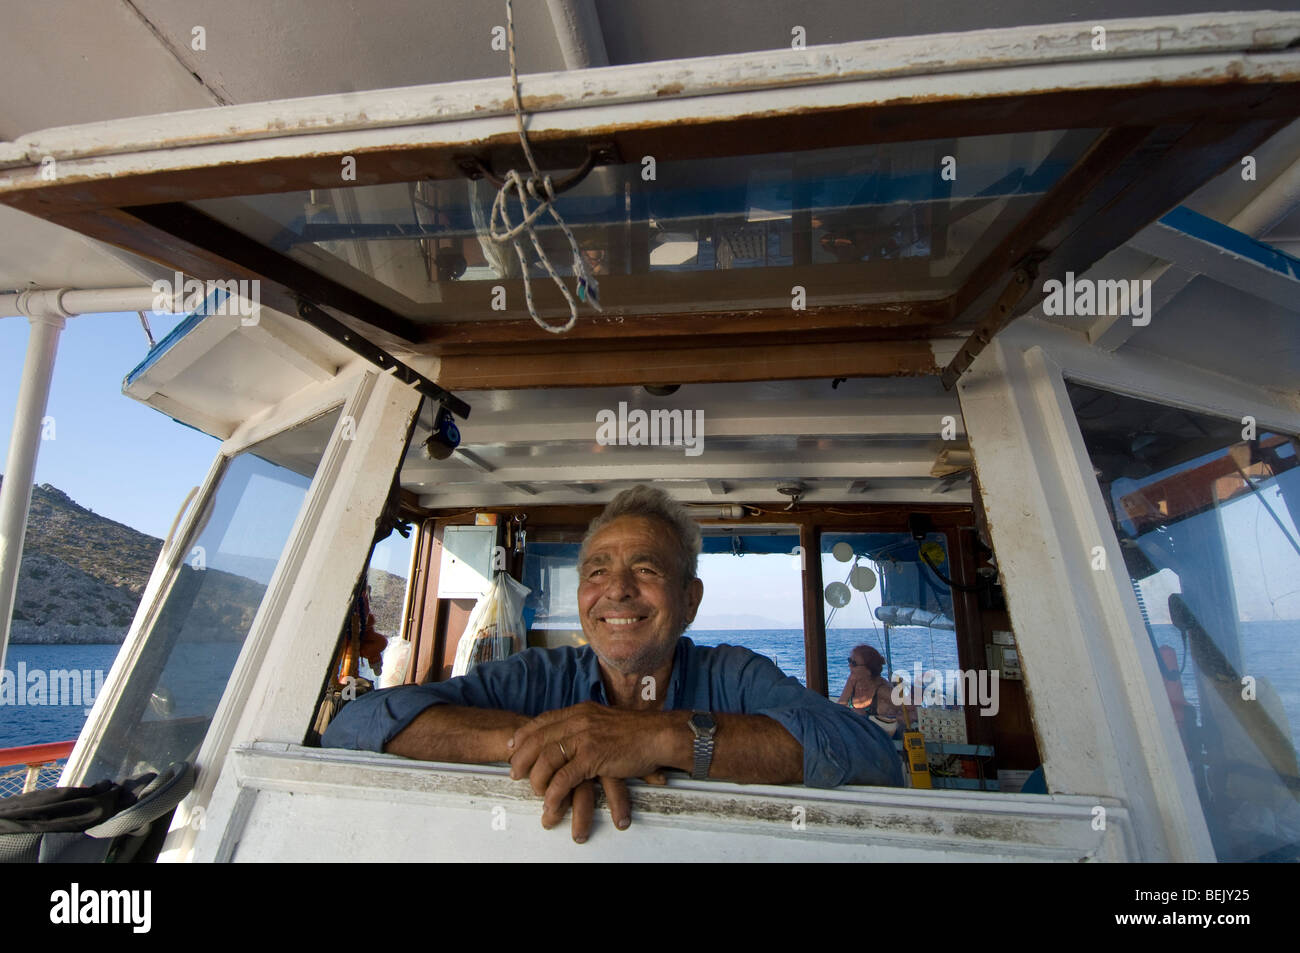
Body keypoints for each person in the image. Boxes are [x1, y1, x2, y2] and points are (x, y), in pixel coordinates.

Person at [322, 485, 902, 842]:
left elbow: (871, 755)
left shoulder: (736, 675)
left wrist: (661, 737)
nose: (617, 590)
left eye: (646, 570)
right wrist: (556, 746)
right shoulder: (534, 678)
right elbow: (357, 724)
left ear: (690, 601)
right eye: (597, 571)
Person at [837, 645, 909, 732]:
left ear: (868, 670)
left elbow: (911, 712)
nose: (849, 665)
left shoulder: (883, 690)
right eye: (849, 660)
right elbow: (840, 706)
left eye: (854, 663)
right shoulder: (853, 680)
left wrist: (894, 717)